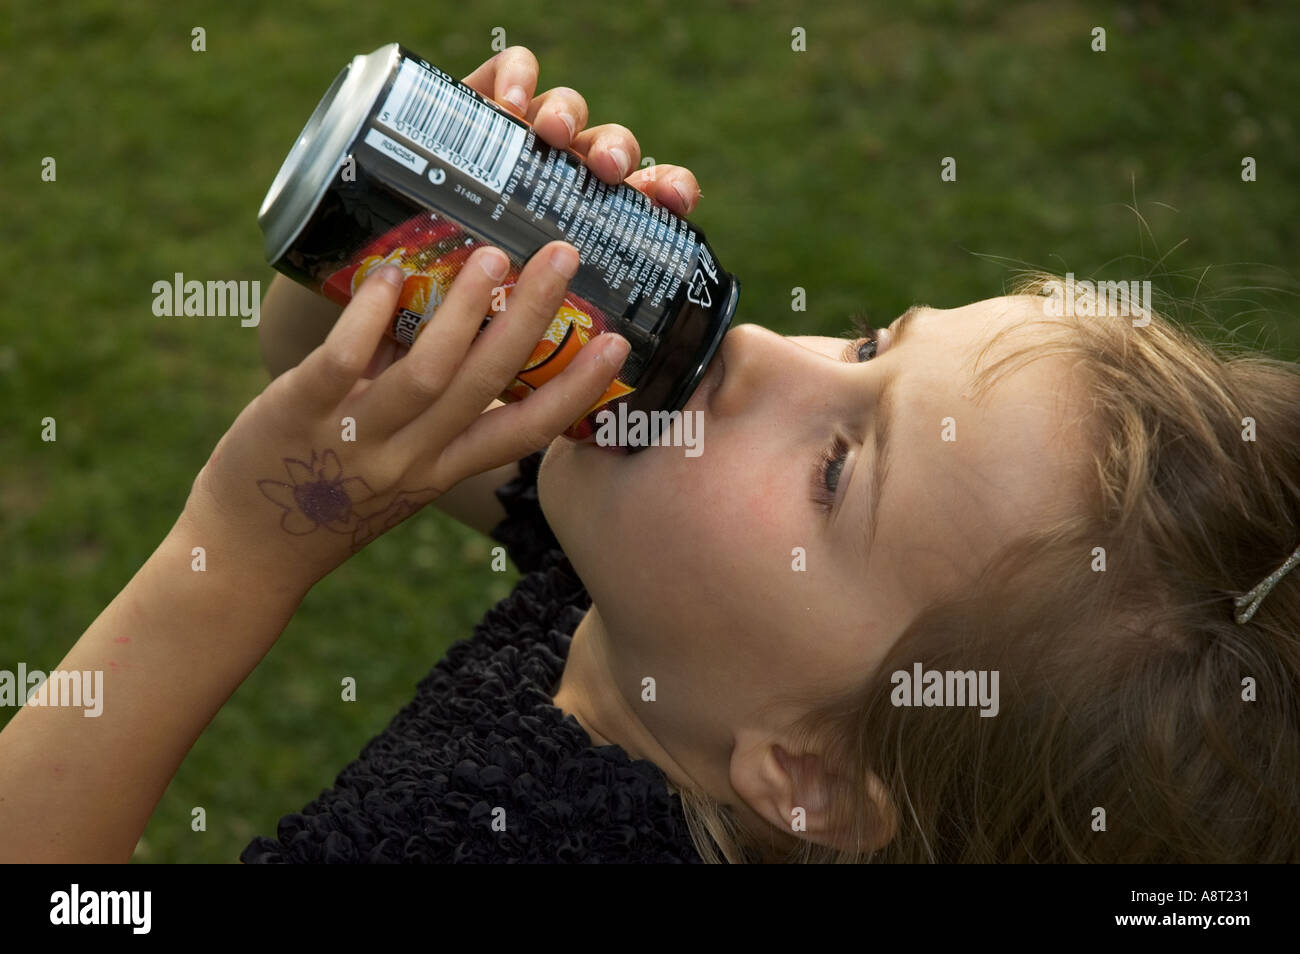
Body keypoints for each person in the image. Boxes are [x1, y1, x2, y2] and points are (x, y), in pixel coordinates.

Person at [3, 46, 1298, 864]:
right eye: (865, 343)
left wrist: (232, 556)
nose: (767, 354)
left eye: (839, 466)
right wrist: (432, 247)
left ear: (806, 773)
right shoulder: (672, 629)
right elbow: (312, 371)